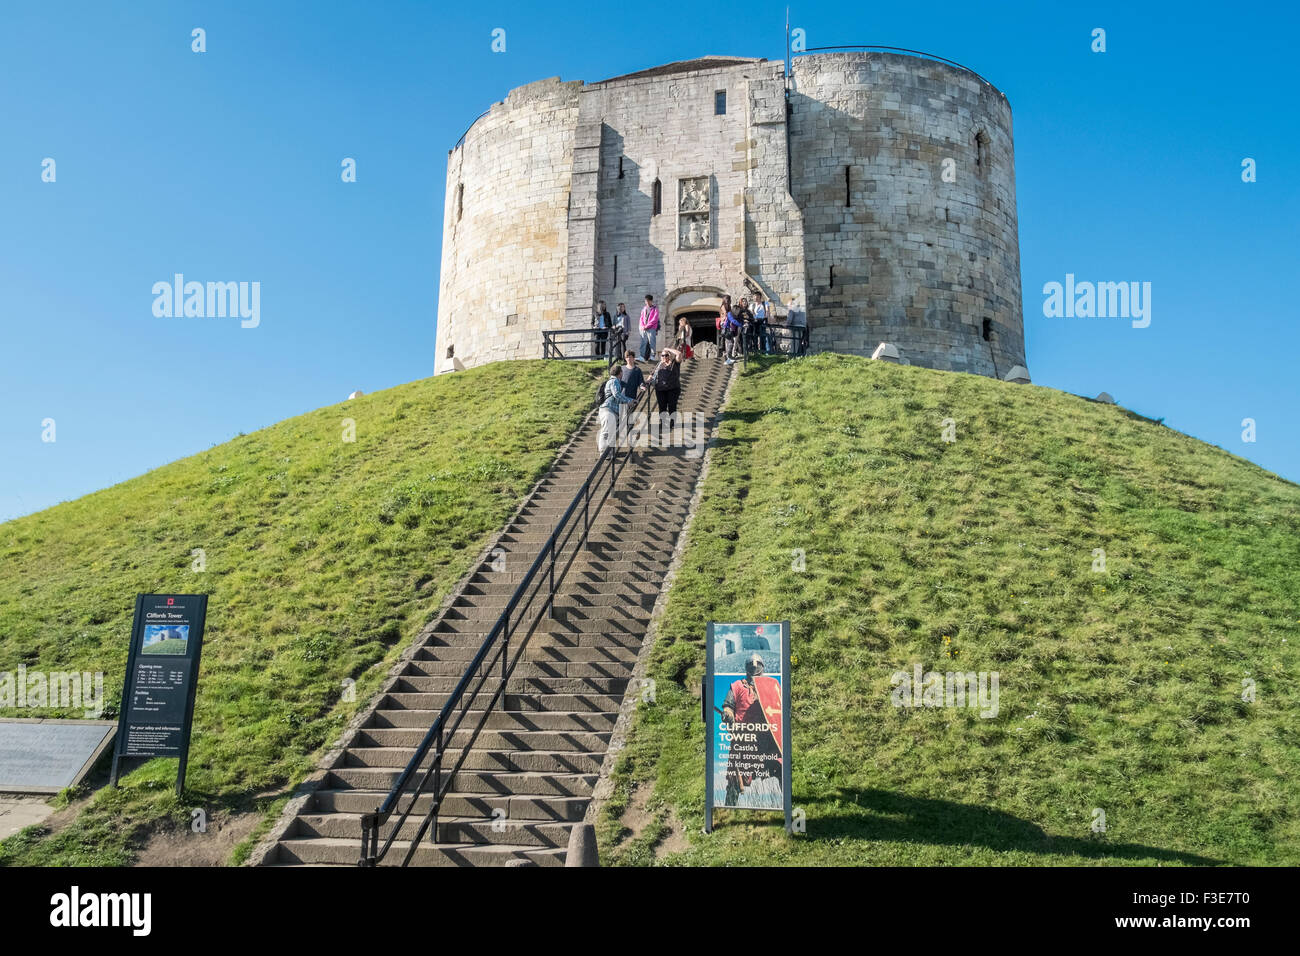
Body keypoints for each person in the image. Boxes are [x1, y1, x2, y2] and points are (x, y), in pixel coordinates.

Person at [721, 652, 784, 807]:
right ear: (746, 668)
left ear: (762, 667)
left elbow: (779, 708)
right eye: (751, 665)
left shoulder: (772, 686)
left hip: (768, 740)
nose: (754, 668)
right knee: (736, 778)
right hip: (745, 740)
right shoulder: (736, 686)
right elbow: (728, 705)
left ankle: (788, 804)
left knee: (782, 768)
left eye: (757, 665)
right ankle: (729, 809)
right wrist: (728, 714)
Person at [598, 364, 633, 453]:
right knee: (606, 432)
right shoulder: (614, 381)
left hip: (610, 410)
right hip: (608, 410)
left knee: (609, 432)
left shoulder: (612, 381)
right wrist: (629, 401)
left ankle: (608, 453)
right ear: (620, 373)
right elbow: (616, 394)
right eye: (622, 372)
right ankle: (603, 452)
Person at [648, 346, 683, 417]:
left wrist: (668, 349)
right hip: (660, 390)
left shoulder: (674, 363)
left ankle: (672, 423)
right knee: (662, 407)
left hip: (673, 389)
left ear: (669, 356)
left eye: (666, 355)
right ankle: (663, 423)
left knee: (672, 407)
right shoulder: (658, 365)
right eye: (662, 355)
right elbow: (652, 375)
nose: (664, 357)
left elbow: (679, 354)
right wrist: (647, 381)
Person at [638, 294, 660, 361]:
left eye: (648, 301)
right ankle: (642, 356)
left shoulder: (655, 309)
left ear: (651, 301)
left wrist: (647, 326)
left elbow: (654, 319)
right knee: (643, 342)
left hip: (651, 328)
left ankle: (652, 356)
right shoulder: (644, 309)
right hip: (643, 329)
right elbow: (641, 318)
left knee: (652, 342)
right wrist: (642, 326)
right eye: (646, 301)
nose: (647, 302)